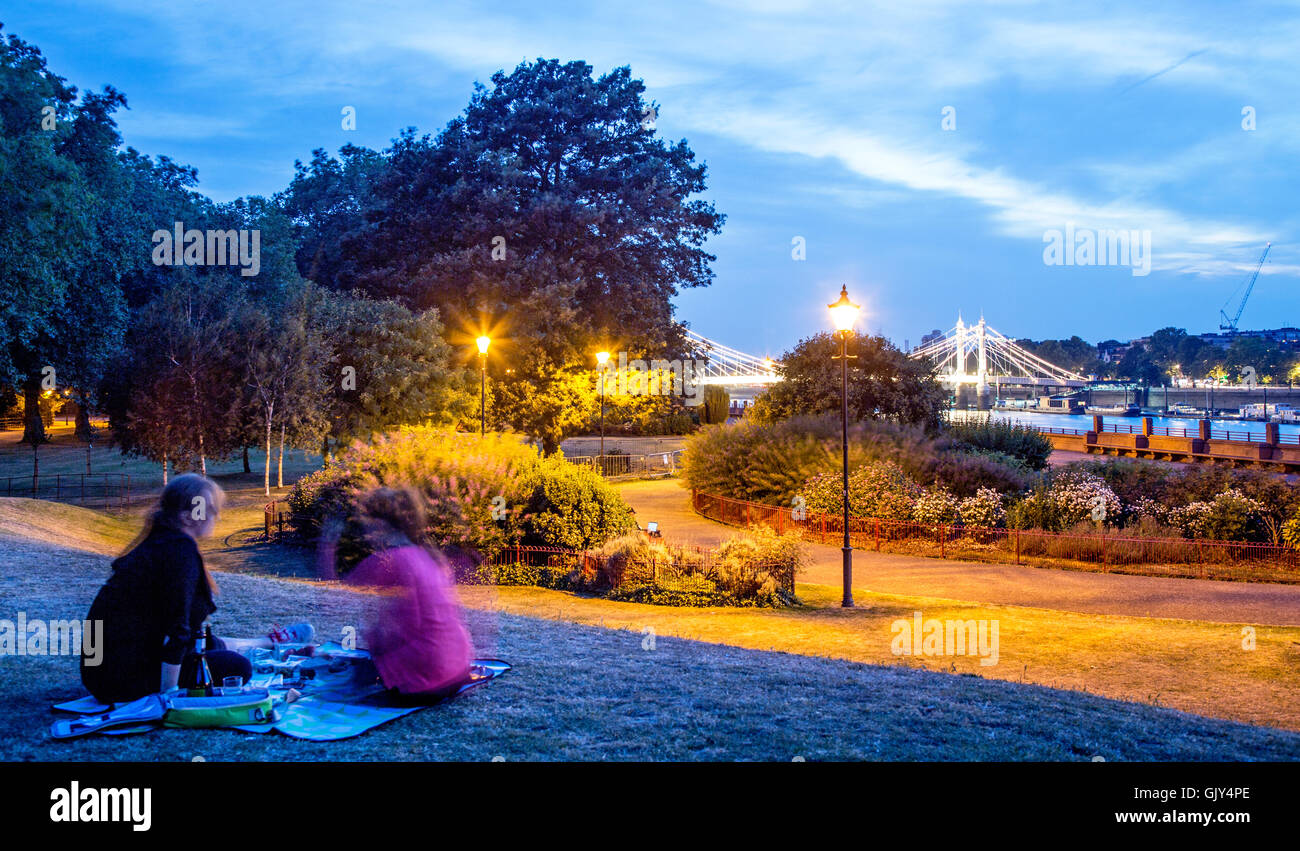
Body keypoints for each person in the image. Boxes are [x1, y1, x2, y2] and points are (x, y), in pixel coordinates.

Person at [80, 473, 312, 704]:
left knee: (206, 643)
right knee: (236, 666)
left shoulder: (159, 542)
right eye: (210, 509)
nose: (217, 515)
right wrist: (168, 697)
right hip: (120, 681)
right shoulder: (180, 551)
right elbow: (178, 632)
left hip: (98, 674)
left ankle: (269, 643)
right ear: (187, 517)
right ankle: (266, 647)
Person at [340, 487, 474, 703]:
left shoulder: (392, 559)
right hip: (456, 668)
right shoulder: (428, 556)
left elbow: (338, 589)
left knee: (348, 676)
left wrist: (327, 544)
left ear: (380, 524)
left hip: (428, 677)